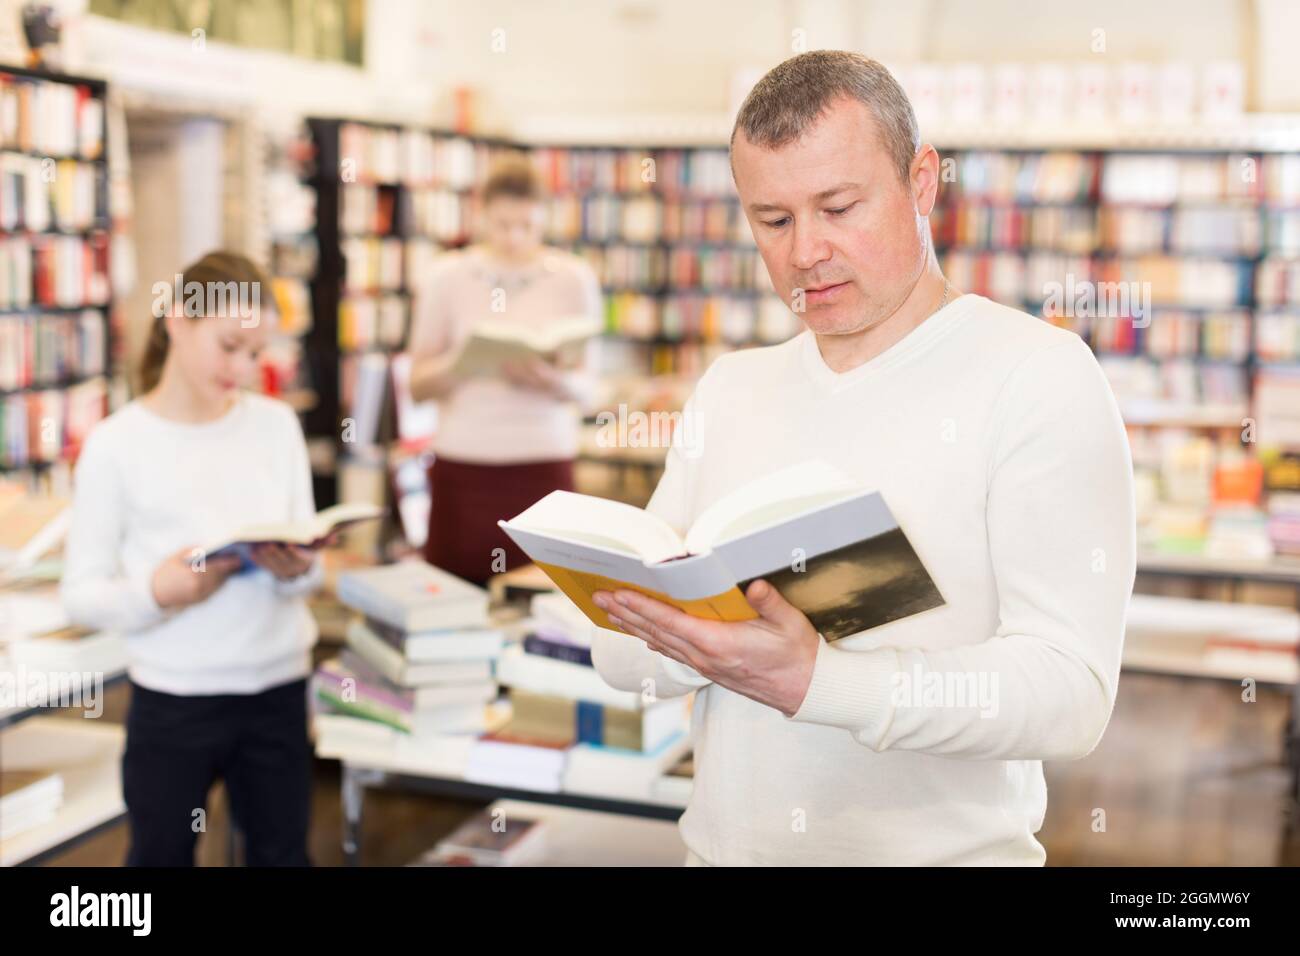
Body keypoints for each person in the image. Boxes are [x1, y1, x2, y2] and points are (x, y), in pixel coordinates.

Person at [590, 51, 1137, 866]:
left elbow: (1069, 695)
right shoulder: (733, 386)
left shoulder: (1039, 376)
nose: (806, 251)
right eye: (772, 221)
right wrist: (681, 640)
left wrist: (819, 681)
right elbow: (618, 649)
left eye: (838, 207)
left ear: (922, 183)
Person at [61, 251, 322, 866]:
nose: (243, 368)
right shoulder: (116, 445)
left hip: (278, 689)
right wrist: (160, 590)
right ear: (179, 319)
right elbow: (81, 594)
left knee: (283, 857)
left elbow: (304, 570)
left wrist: (297, 570)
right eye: (229, 345)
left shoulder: (277, 426)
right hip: (175, 700)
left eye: (256, 353)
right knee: (159, 859)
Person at [408, 153, 602, 586]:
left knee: (548, 601)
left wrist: (552, 382)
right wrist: (462, 366)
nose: (514, 238)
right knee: (453, 596)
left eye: (527, 226)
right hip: (464, 467)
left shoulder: (573, 279)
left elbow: (592, 391)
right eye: (502, 225)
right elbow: (416, 385)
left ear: (545, 220)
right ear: (481, 217)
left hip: (543, 466)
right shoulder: (447, 277)